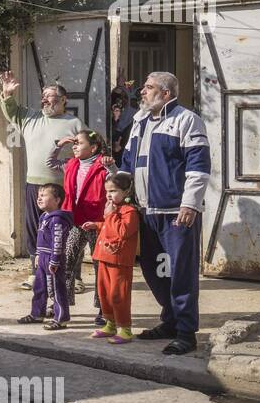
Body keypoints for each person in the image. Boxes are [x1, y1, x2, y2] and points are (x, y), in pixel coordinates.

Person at [110, 70, 211, 356]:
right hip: (145, 211)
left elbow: (198, 166)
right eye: (143, 87)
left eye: (148, 87)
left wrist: (190, 203)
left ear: (166, 93)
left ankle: (185, 332)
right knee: (153, 270)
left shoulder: (186, 120)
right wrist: (117, 196)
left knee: (181, 272)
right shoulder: (140, 122)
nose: (141, 92)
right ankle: (169, 320)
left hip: (176, 213)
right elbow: (128, 164)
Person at [0, 70, 84, 289]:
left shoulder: (74, 123)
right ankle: (36, 272)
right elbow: (11, 111)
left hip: (62, 186)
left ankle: (74, 277)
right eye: (43, 96)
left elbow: (85, 152)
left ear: (63, 100)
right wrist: (7, 94)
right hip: (34, 184)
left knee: (67, 231)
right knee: (35, 229)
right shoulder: (30, 117)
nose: (45, 99)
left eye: (51, 96)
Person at [47, 129, 109, 321]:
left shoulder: (103, 166)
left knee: (101, 267)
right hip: (74, 222)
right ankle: (61, 302)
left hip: (97, 224)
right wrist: (58, 146)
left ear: (93, 147)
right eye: (74, 143)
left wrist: (111, 166)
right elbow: (50, 163)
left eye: (79, 143)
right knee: (66, 262)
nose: (74, 146)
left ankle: (104, 309)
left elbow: (120, 180)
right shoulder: (71, 164)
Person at [82, 171, 140, 344]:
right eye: (107, 191)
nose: (109, 195)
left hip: (119, 261)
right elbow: (109, 228)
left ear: (126, 191)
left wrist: (110, 215)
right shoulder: (114, 209)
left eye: (113, 191)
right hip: (104, 257)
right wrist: (97, 225)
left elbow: (122, 232)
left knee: (118, 294)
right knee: (104, 293)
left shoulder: (129, 211)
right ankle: (110, 324)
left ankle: (125, 329)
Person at [17, 183, 73, 331]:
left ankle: (61, 318)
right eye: (38, 196)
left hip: (52, 260)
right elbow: (40, 239)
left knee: (55, 289)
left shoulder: (58, 220)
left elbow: (58, 241)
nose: (39, 198)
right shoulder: (43, 217)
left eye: (44, 195)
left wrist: (54, 260)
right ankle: (37, 314)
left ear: (57, 200)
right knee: (39, 287)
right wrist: (37, 254)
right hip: (41, 257)